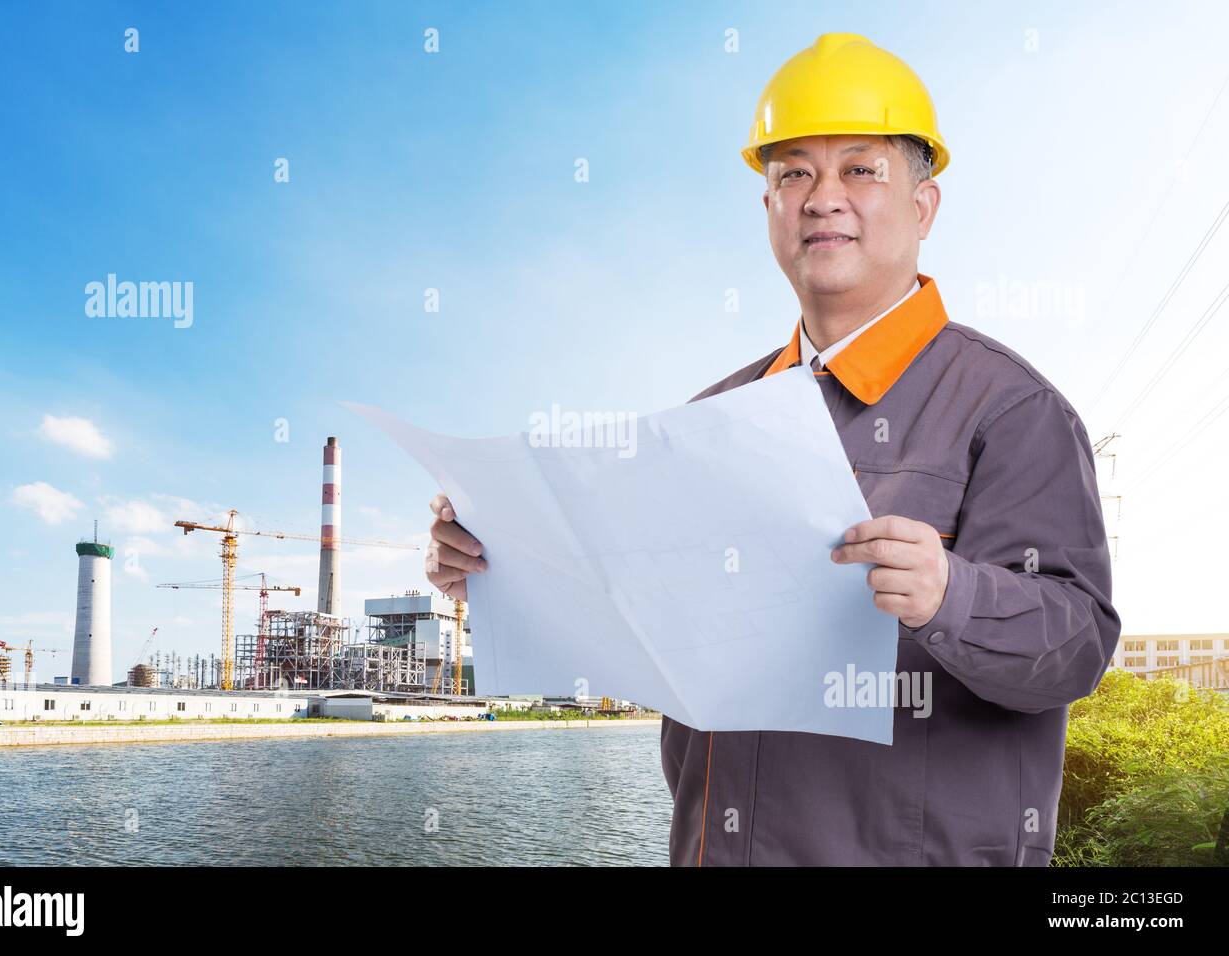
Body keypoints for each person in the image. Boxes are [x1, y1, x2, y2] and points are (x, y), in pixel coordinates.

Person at [425, 32, 1119, 866]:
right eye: (793, 173)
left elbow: (1077, 646)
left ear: (925, 207)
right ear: (768, 210)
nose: (823, 198)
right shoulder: (712, 417)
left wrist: (953, 595)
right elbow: (627, 614)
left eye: (861, 169)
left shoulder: (1011, 410)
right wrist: (497, 562)